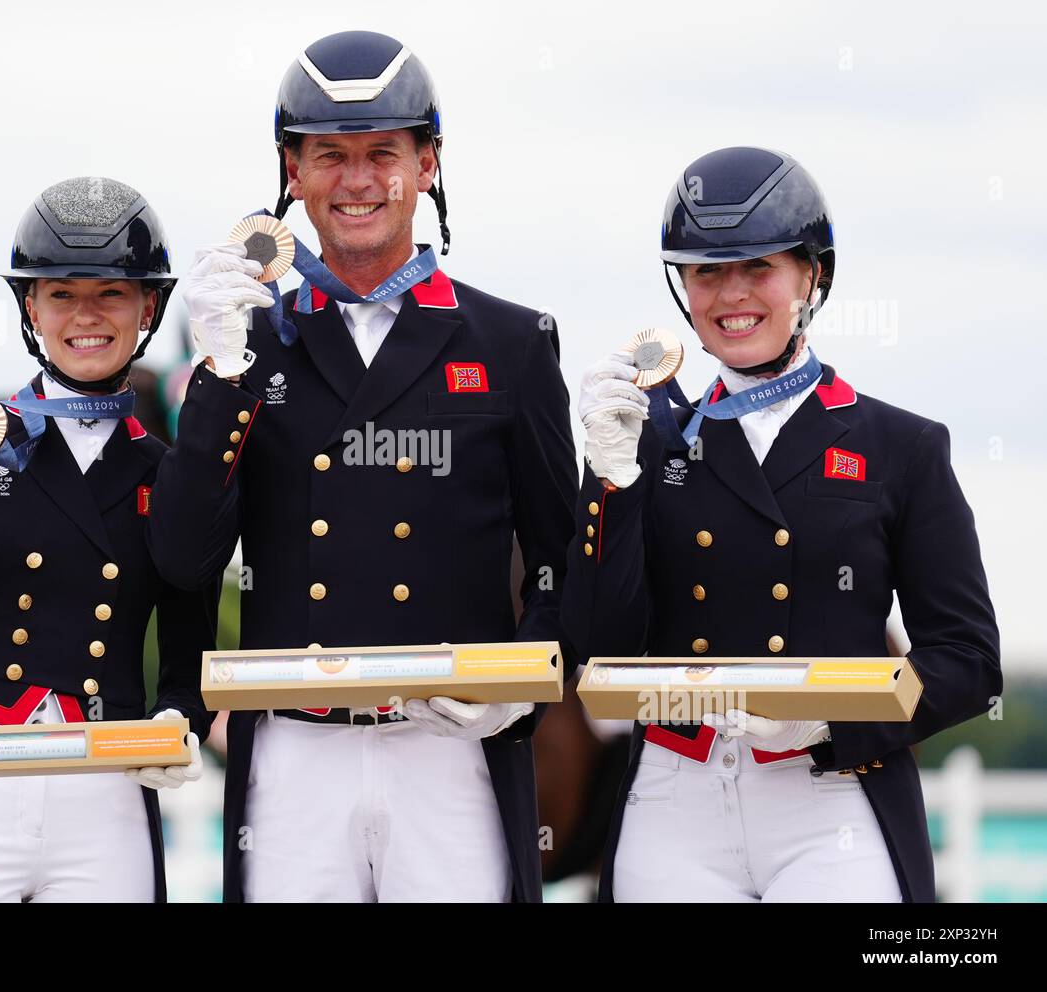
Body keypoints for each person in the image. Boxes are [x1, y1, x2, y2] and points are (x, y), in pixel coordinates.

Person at [148, 30, 578, 902]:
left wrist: (523, 688)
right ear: (291, 171)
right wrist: (220, 378)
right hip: (298, 754)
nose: (356, 180)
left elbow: (561, 560)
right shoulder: (248, 341)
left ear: (428, 163)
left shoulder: (511, 343)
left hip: (452, 747)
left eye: (382, 152)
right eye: (329, 156)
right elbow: (184, 557)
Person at [562, 146, 1001, 902]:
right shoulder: (645, 438)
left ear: (812, 275)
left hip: (830, 794)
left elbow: (967, 660)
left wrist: (830, 725)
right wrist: (612, 481)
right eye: (706, 271)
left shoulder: (899, 446)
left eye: (758, 267)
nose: (731, 294)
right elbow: (596, 645)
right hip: (674, 798)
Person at [0, 177, 216, 902]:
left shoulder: (167, 470)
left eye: (111, 294)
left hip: (104, 780)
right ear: (31, 306)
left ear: (148, 306)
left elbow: (186, 657)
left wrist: (181, 720)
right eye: (61, 294)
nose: (86, 316)